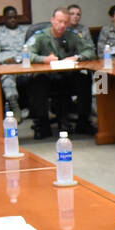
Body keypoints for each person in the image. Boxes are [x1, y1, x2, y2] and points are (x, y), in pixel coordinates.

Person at [23, 8, 95, 136]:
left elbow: (90, 51)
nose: (62, 25)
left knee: (85, 80)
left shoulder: (72, 35)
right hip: (48, 78)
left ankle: (83, 123)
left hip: (67, 77)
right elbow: (26, 54)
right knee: (38, 81)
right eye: (59, 21)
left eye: (65, 22)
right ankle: (43, 124)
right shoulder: (40, 36)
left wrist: (76, 57)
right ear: (52, 20)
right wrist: (44, 59)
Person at [0, 6, 29, 115]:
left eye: (15, 17)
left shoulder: (26, 32)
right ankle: (14, 105)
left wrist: (21, 59)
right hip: (7, 66)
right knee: (7, 77)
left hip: (26, 64)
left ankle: (38, 111)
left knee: (39, 77)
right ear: (4, 18)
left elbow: (33, 49)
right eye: (10, 18)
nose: (13, 20)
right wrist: (6, 60)